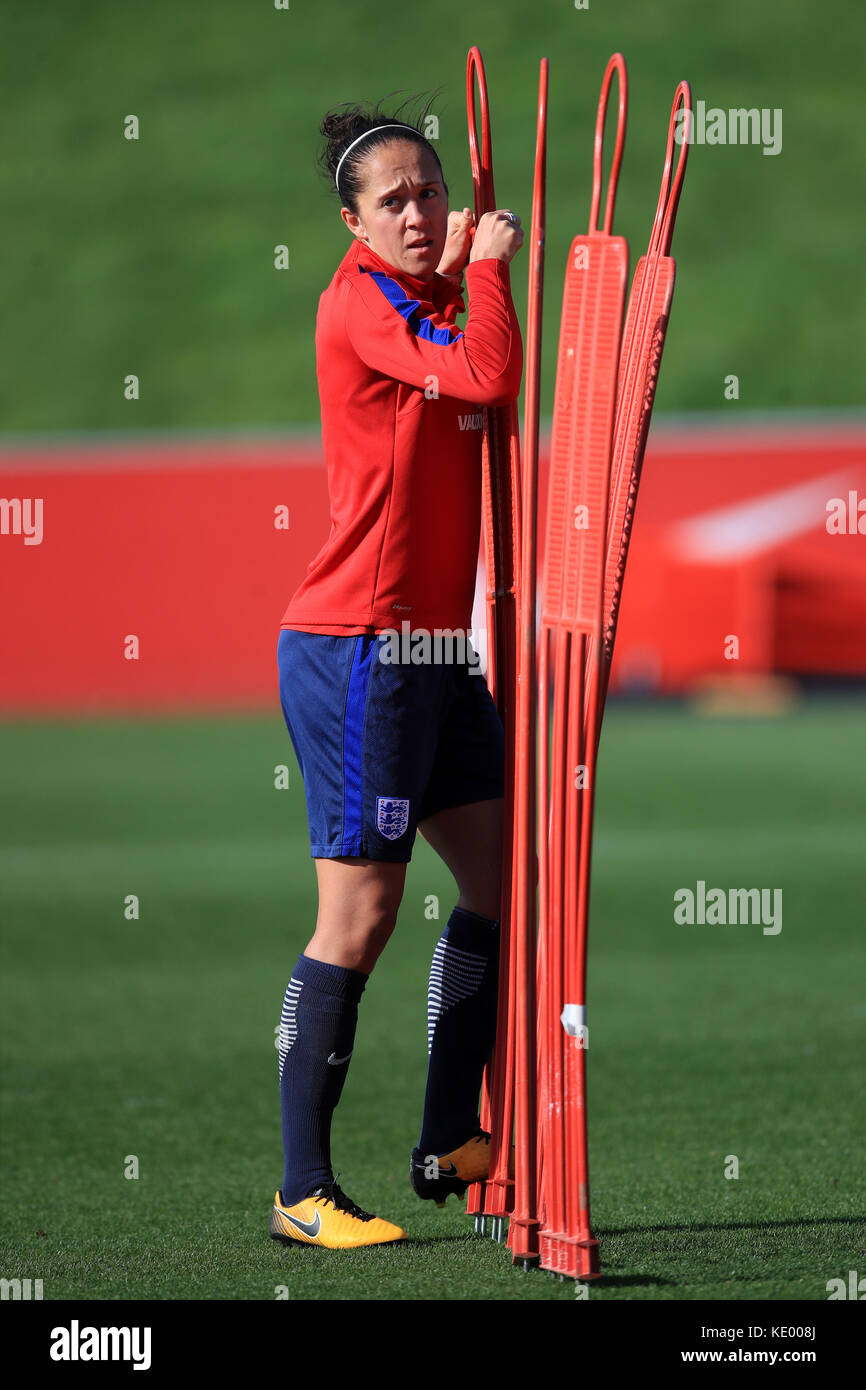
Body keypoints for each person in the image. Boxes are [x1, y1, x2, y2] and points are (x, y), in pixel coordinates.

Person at [270, 94, 523, 1250]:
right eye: (394, 201)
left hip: (432, 647)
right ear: (351, 220)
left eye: (432, 193)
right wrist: (490, 269)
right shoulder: (364, 305)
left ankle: (440, 1140)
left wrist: (466, 268)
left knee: (492, 874)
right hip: (357, 647)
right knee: (361, 910)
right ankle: (302, 1191)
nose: (420, 212)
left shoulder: (418, 289)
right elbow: (481, 373)